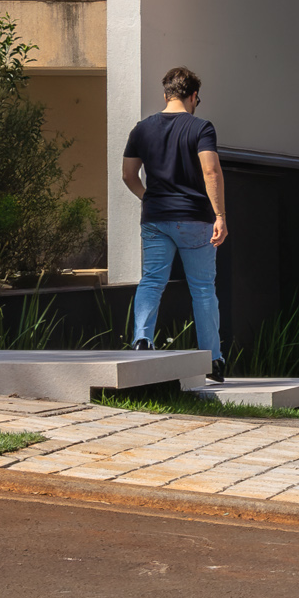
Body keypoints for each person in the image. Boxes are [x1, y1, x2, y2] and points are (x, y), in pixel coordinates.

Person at [122, 67, 229, 382]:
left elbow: (128, 174)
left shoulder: (142, 129)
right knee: (203, 289)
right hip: (194, 218)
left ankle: (142, 340)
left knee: (152, 281)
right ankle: (213, 360)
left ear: (166, 94)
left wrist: (149, 198)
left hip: (156, 218)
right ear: (194, 96)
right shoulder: (201, 127)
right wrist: (220, 216)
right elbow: (211, 171)